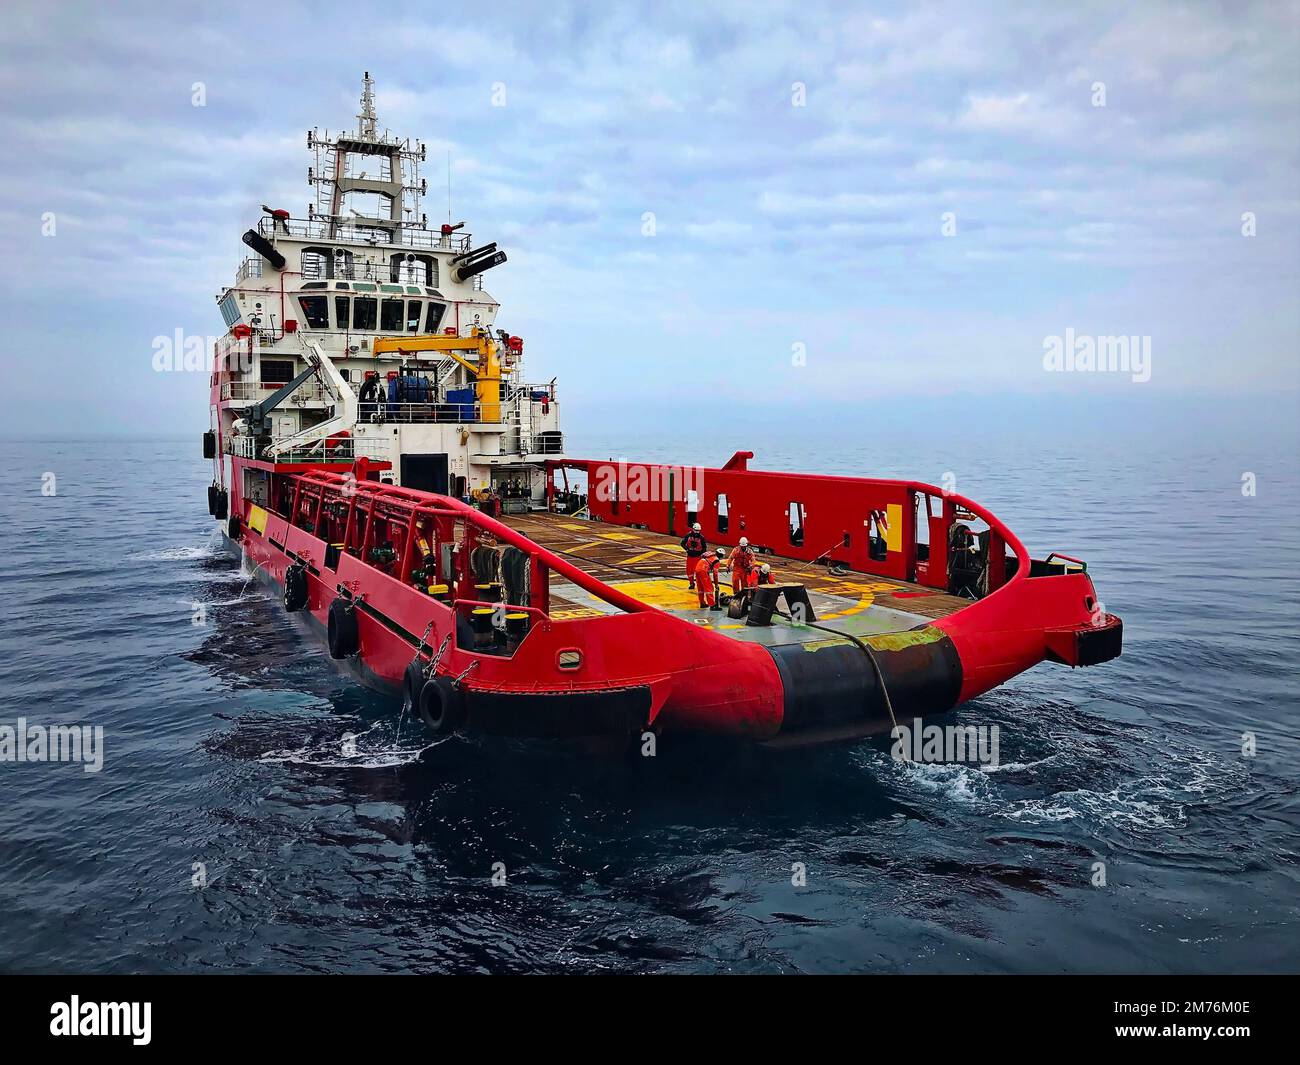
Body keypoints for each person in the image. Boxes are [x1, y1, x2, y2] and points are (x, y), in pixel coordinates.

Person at [680, 522, 707, 589]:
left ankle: (700, 584)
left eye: (698, 531)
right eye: (696, 530)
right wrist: (687, 549)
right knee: (689, 571)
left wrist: (702, 554)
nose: (697, 532)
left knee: (699, 571)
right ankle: (691, 583)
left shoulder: (701, 538)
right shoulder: (688, 535)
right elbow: (682, 543)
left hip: (698, 557)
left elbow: (704, 547)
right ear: (693, 529)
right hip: (690, 556)